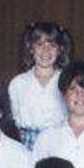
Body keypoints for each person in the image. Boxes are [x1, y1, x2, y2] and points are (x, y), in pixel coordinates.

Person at [9, 21, 72, 149]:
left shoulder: (68, 81)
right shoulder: (18, 83)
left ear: (60, 49)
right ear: (31, 48)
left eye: (52, 45)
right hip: (26, 145)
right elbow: (13, 121)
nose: (46, 50)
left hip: (60, 143)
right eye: (39, 44)